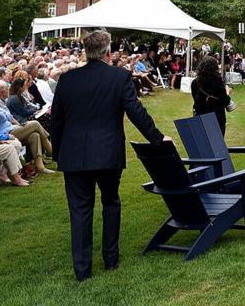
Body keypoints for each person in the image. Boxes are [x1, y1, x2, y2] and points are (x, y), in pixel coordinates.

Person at [50, 28, 169, 282]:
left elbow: (56, 120)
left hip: (76, 154)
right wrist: (158, 138)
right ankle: (110, 259)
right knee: (110, 202)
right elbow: (135, 111)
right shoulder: (118, 77)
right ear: (107, 51)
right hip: (106, 151)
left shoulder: (68, 80)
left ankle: (83, 269)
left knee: (80, 210)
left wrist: (58, 152)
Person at [190, 56, 232, 135]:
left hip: (200, 116)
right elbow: (225, 101)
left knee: (202, 140)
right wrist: (227, 92)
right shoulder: (217, 82)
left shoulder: (195, 83)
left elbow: (196, 99)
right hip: (216, 118)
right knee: (217, 141)